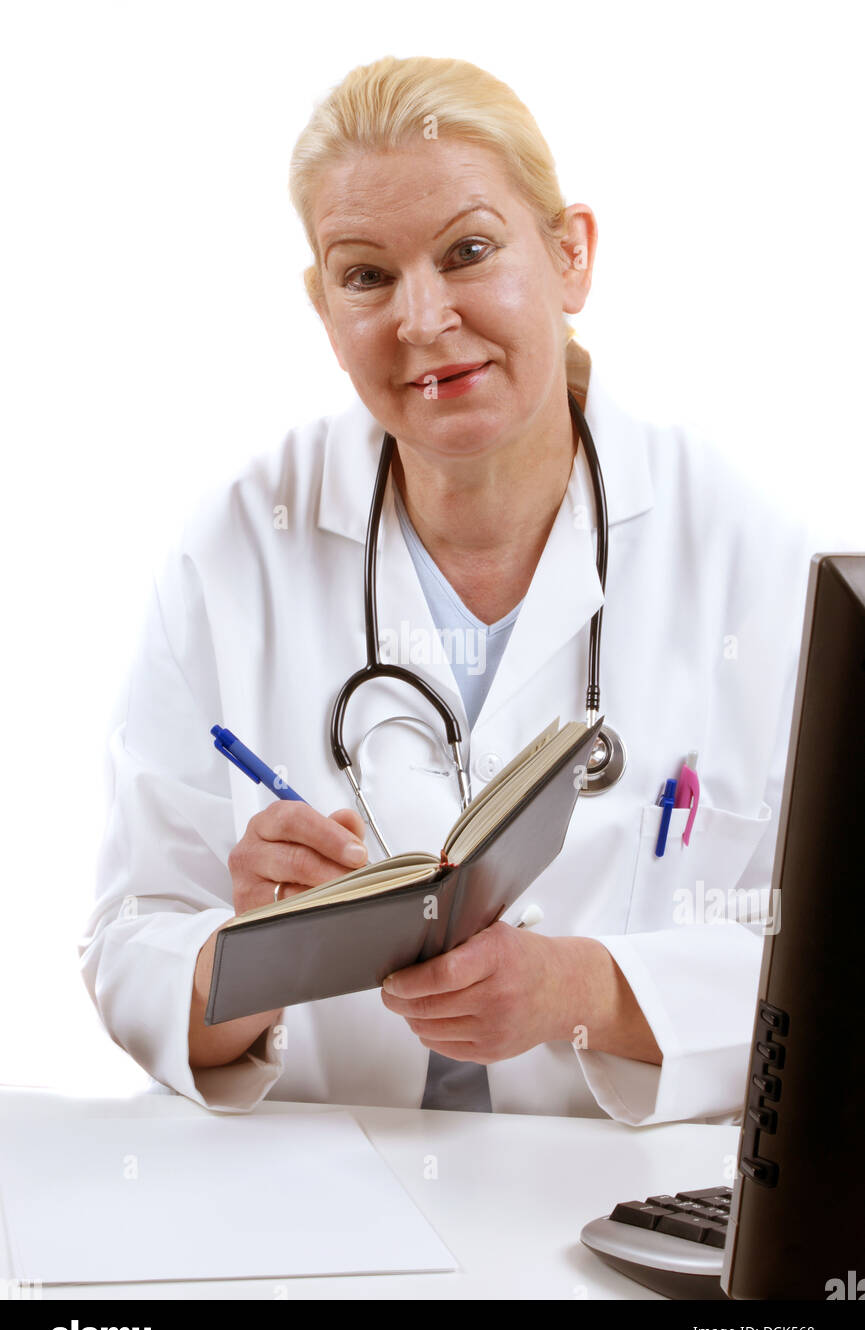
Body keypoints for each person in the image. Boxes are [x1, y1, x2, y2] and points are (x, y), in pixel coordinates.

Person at [81, 55, 814, 1124]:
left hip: (610, 1209)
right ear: (324, 309)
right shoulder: (237, 548)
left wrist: (589, 990)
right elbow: (129, 938)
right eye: (366, 275)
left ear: (571, 256)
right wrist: (240, 960)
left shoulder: (745, 558)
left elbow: (834, 959)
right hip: (325, 1206)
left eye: (468, 250)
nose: (422, 319)